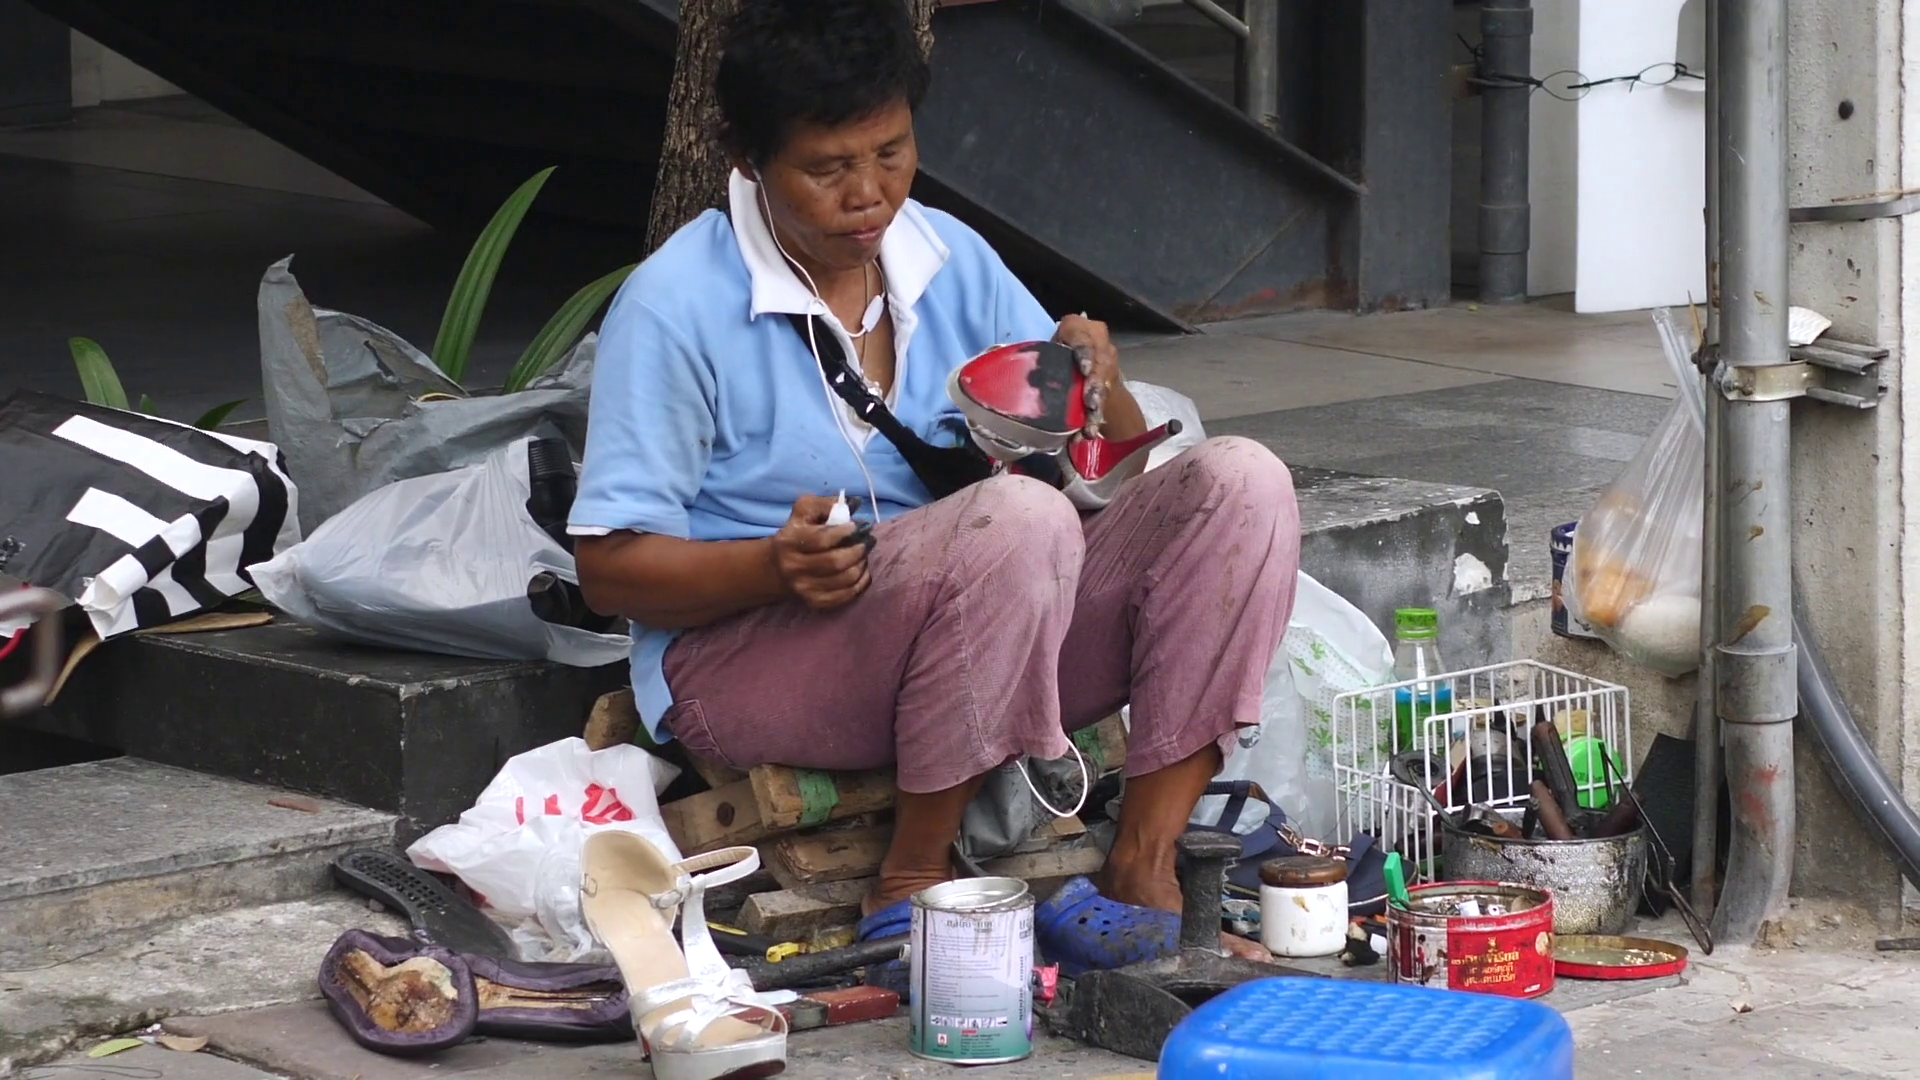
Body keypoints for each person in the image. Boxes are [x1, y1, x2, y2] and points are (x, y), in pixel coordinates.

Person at [572, 0, 1300, 971]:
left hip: (977, 633)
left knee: (1242, 484)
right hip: (752, 661)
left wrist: (1106, 388)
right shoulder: (675, 307)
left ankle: (1147, 864)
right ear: (747, 161)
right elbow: (610, 573)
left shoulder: (948, 261)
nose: (870, 195)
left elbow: (1099, 471)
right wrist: (774, 568)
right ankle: (915, 881)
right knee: (1014, 518)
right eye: (829, 169)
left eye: (891, 153)